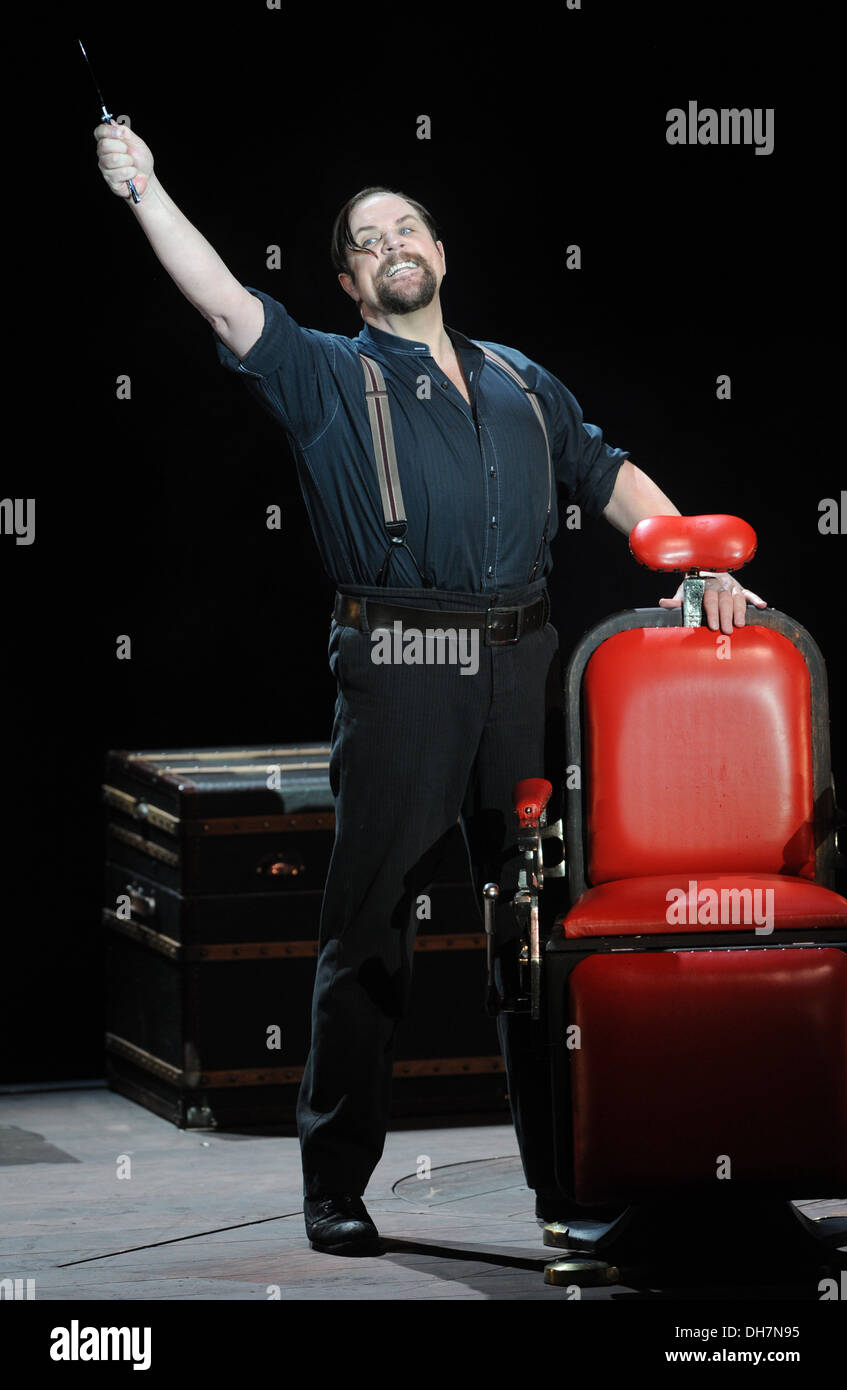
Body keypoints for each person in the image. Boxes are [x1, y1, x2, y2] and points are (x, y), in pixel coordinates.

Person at [93, 120, 767, 1256]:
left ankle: (569, 1178)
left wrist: (693, 555)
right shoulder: (324, 373)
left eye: (408, 226)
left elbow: (607, 477)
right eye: (368, 238)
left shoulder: (518, 377)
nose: (393, 242)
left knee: (542, 930)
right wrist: (145, 187)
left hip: (522, 669)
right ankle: (334, 1185)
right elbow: (220, 302)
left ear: (439, 256)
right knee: (371, 937)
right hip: (401, 667)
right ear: (354, 282)